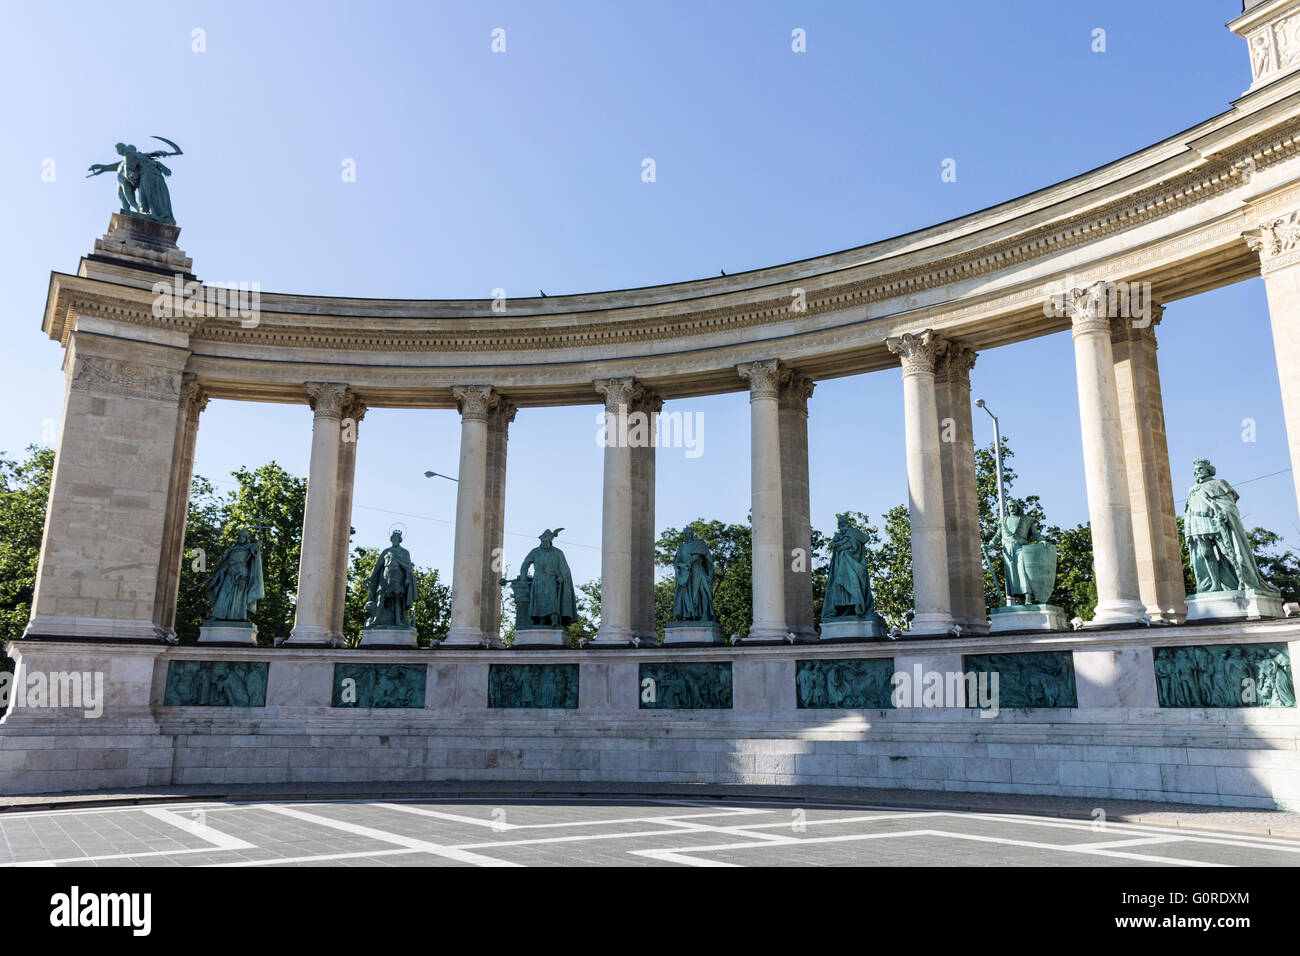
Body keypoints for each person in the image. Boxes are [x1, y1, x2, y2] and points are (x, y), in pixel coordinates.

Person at [1184, 458, 1278, 594]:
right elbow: (1188, 509)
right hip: (1198, 525)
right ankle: (1215, 584)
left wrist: (1223, 514)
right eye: (1195, 470)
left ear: (1208, 470)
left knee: (1228, 552)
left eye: (1200, 469)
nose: (1197, 472)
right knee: (1206, 554)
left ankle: (1242, 581)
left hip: (1215, 523)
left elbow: (1229, 505)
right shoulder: (1192, 489)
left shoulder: (1219, 484)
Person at [204, 528, 265, 622]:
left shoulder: (249, 547)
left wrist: (260, 539)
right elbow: (224, 559)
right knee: (223, 593)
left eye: (243, 537)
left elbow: (257, 547)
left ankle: (239, 617)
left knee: (239, 596)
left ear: (246, 538)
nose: (241, 538)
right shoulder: (232, 549)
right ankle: (217, 615)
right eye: (239, 536)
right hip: (230, 572)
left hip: (242, 573)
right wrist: (218, 567)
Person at [519, 529, 577, 626]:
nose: (544, 543)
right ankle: (542, 620)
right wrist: (523, 578)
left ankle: (554, 620)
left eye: (546, 541)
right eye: (542, 541)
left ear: (550, 541)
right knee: (539, 601)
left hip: (551, 579)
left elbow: (564, 568)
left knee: (552, 600)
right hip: (538, 580)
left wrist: (561, 576)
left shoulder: (558, 553)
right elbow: (525, 564)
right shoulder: (535, 552)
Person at [365, 531, 418, 627]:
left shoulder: (405, 552)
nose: (395, 540)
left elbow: (408, 567)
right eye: (393, 538)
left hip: (397, 577)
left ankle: (398, 620)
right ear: (391, 539)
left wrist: (407, 579)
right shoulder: (386, 551)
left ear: (400, 540)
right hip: (385, 577)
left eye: (397, 539)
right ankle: (376, 619)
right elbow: (377, 566)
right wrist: (370, 577)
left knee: (397, 599)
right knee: (381, 598)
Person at [672, 528, 716, 621]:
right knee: (686, 594)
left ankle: (704, 615)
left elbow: (700, 556)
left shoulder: (699, 544)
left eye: (689, 533)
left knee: (703, 592)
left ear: (692, 534)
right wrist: (680, 566)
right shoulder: (681, 547)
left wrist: (689, 562)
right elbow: (677, 561)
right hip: (686, 574)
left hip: (698, 571)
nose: (688, 535)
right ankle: (688, 615)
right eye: (686, 533)